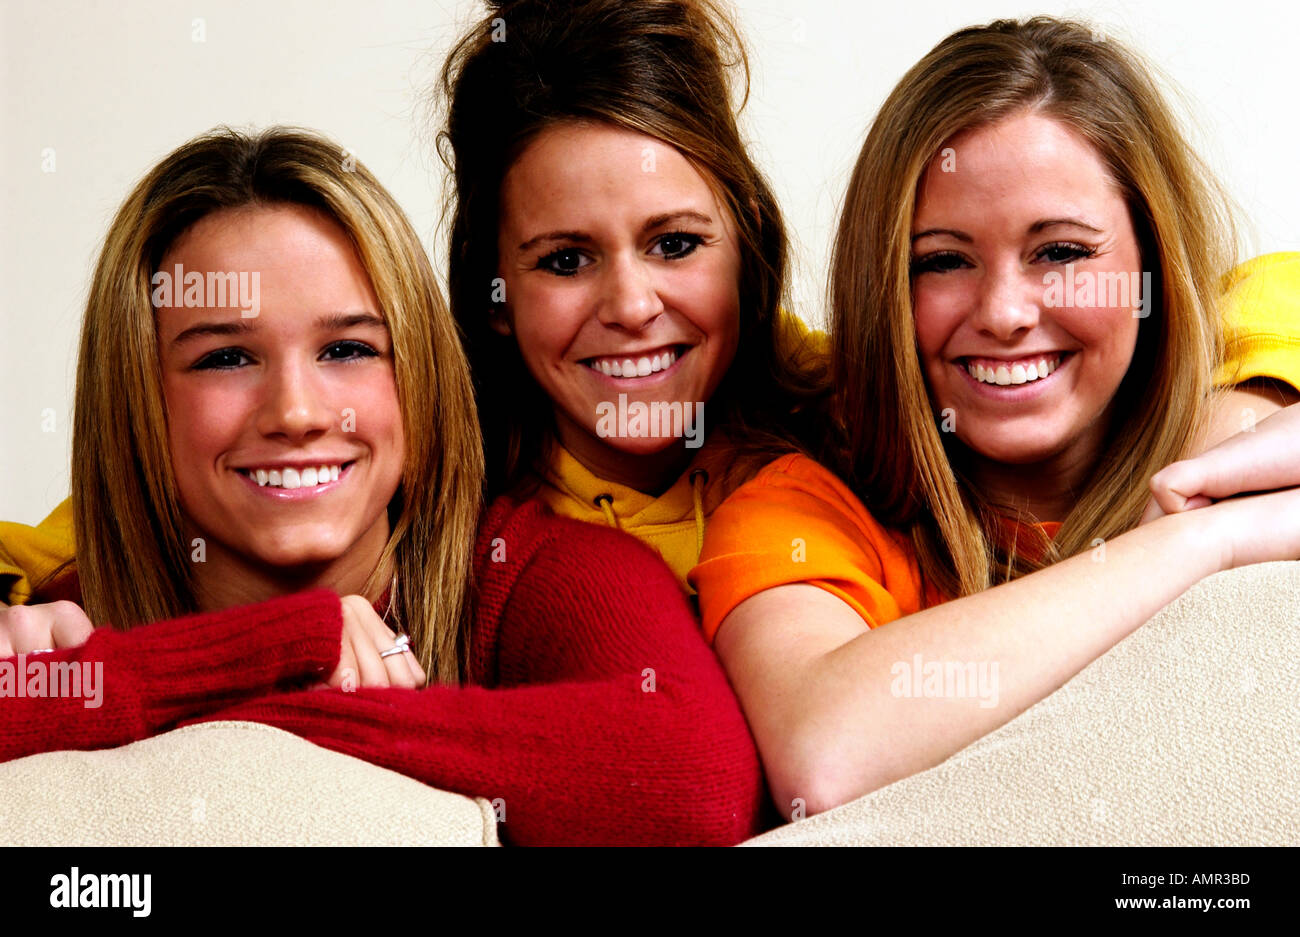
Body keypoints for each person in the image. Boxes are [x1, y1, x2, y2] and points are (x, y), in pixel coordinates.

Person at [0, 126, 764, 846]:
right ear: (138, 395)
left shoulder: (535, 573)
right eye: (226, 359)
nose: (297, 413)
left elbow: (691, 782)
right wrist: (277, 647)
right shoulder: (63, 623)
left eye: (348, 348)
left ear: (416, 375)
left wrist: (242, 700)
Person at [689, 17, 1300, 818]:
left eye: (1062, 253)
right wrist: (1202, 540)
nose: (1005, 312)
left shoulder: (1246, 410)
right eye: (943, 260)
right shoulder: (796, 513)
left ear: (1152, 262)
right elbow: (825, 753)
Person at [436, 0, 827, 591]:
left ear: (747, 240)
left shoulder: (868, 418)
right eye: (565, 261)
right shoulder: (441, 532)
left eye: (673, 244)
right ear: (494, 293)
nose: (632, 307)